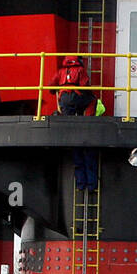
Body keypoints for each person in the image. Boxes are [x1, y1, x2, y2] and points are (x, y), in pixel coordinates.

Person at [52, 56, 103, 190]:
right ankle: (91, 185)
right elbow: (85, 85)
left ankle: (80, 184)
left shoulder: (61, 71)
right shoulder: (80, 70)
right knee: (92, 100)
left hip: (64, 99)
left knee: (76, 152)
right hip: (78, 98)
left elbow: (51, 86)